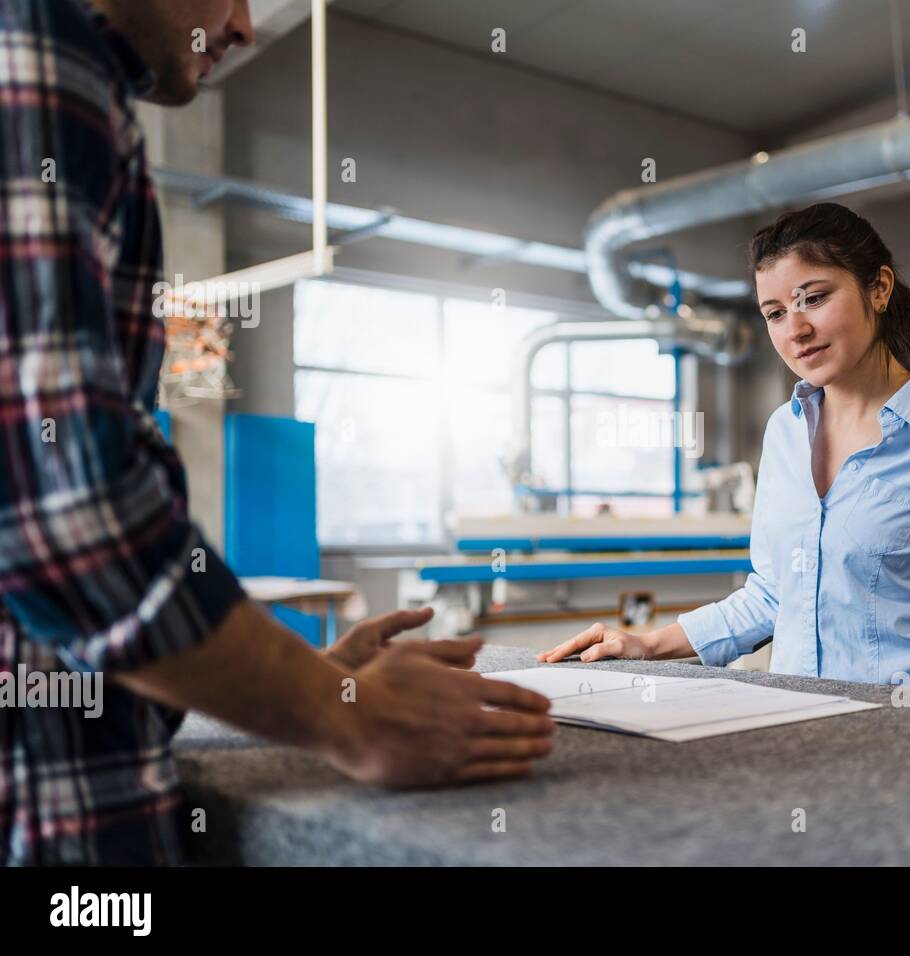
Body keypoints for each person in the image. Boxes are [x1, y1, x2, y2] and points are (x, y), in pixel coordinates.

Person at [0, 0, 552, 866]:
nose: (246, 26)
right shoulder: (35, 43)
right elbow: (67, 516)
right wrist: (344, 711)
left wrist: (317, 675)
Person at [540, 202, 910, 702]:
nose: (796, 329)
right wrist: (646, 643)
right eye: (775, 313)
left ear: (879, 289)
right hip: (795, 729)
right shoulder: (784, 433)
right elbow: (771, 594)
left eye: (814, 298)